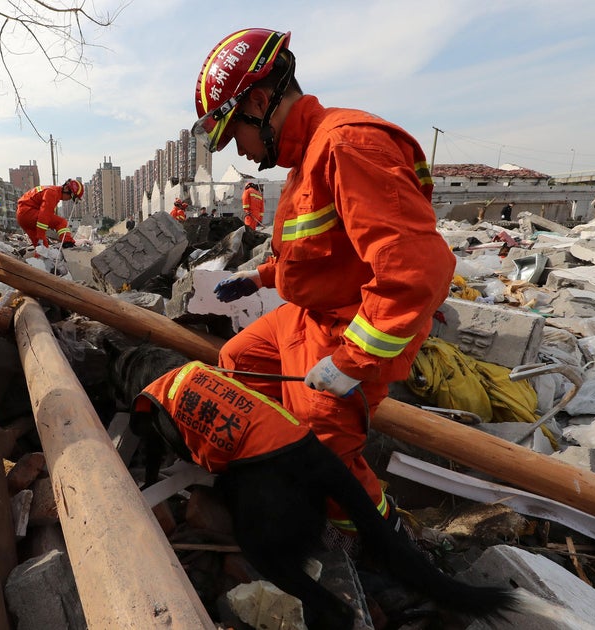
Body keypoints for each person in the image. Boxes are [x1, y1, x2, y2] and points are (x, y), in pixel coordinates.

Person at [196, 28, 454, 538]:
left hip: (349, 330)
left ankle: (376, 544)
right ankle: (279, 463)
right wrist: (259, 277)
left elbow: (417, 273)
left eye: (235, 134)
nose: (239, 151)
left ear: (260, 103)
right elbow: (320, 256)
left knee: (326, 459)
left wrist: (350, 363)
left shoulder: (347, 145)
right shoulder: (305, 159)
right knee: (239, 360)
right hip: (307, 315)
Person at [16, 178, 83, 248]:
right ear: (66, 188)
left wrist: (41, 240)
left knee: (42, 248)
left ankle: (39, 253)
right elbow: (44, 216)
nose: (69, 199)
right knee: (61, 222)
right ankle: (68, 243)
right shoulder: (52, 193)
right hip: (28, 212)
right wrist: (41, 236)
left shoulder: (52, 191)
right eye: (71, 196)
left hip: (22, 216)